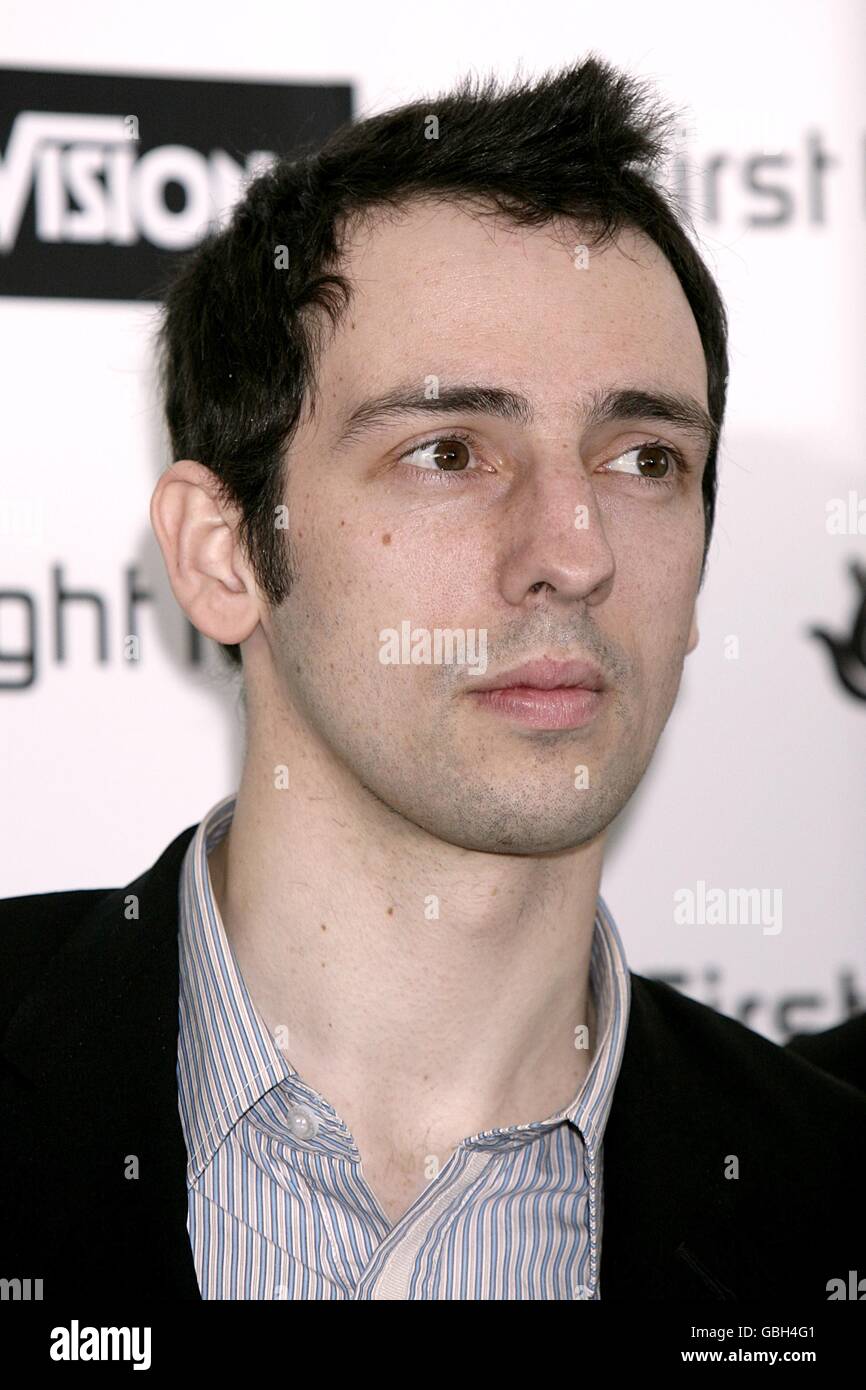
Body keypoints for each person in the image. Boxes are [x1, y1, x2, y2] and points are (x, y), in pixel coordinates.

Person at [2, 54, 864, 1302]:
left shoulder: (825, 1204)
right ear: (224, 550)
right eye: (449, 450)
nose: (572, 551)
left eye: (642, 459)